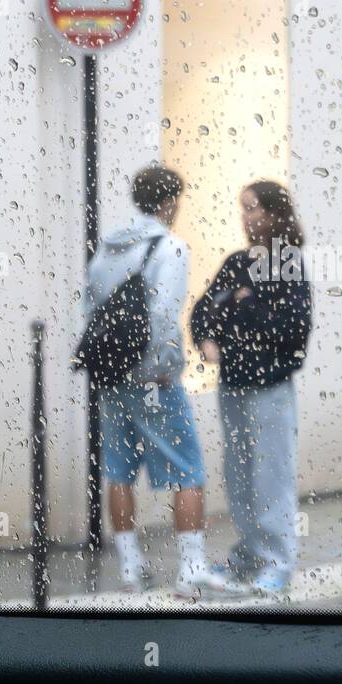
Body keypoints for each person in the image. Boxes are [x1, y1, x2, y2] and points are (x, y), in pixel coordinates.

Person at [80, 164, 232, 598]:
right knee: (188, 470)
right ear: (170, 202)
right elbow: (164, 316)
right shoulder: (170, 248)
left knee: (118, 470)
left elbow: (89, 309)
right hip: (153, 378)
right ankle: (190, 572)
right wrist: (164, 369)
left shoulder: (107, 247)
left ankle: (131, 571)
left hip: (111, 376)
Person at [191, 180, 313, 596]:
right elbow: (204, 310)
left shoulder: (288, 264)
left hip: (270, 389)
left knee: (270, 474)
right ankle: (249, 554)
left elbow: (293, 328)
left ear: (275, 214)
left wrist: (241, 305)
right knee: (239, 474)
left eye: (253, 208)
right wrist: (209, 336)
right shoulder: (236, 262)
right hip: (234, 385)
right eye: (243, 208)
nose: (246, 217)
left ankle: (277, 561)